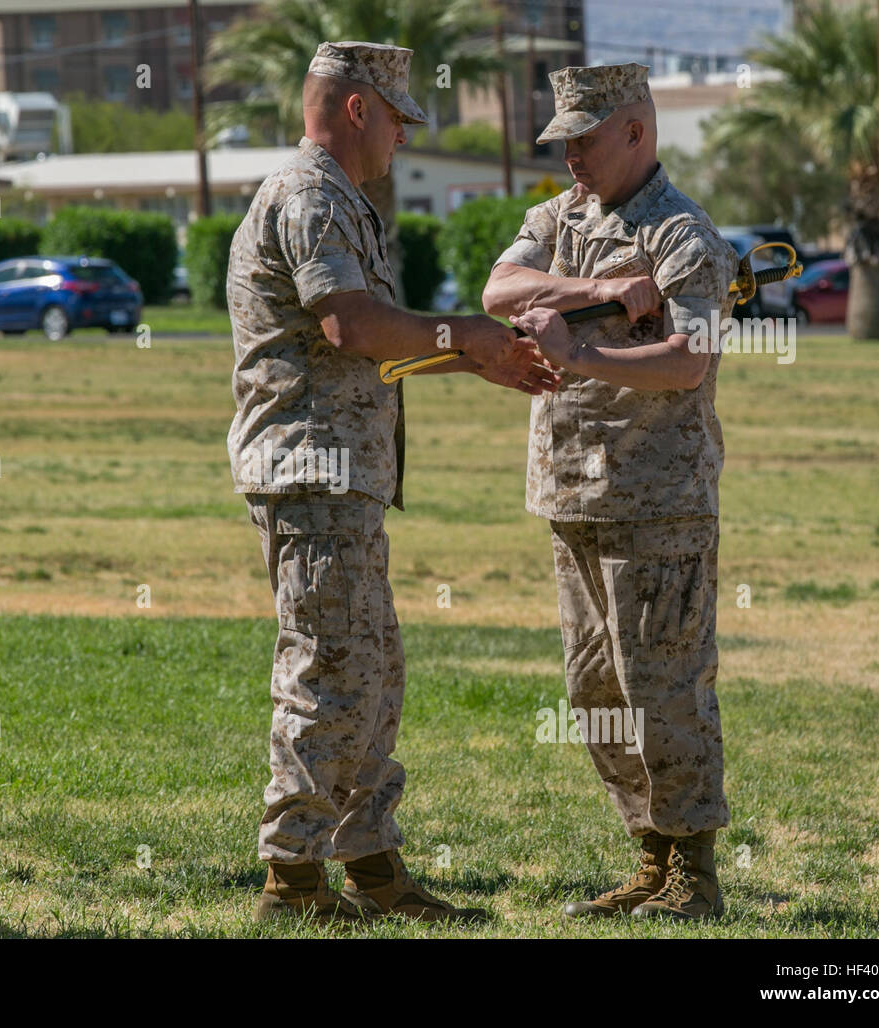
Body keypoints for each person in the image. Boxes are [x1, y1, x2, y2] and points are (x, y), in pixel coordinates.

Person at [226, 39, 559, 923]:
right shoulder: (309, 196)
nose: (404, 139)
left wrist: (479, 361)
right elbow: (348, 327)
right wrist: (465, 336)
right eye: (400, 120)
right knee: (329, 669)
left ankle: (372, 866)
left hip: (343, 476)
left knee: (372, 672)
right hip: (311, 470)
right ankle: (291, 880)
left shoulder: (345, 202)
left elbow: (377, 349)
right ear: (358, 109)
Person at [482, 63, 739, 920]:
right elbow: (499, 289)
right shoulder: (559, 220)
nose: (570, 159)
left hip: (656, 502)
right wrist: (594, 293)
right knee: (594, 694)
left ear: (636, 131)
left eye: (584, 140)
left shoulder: (684, 238)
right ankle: (650, 854)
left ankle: (693, 871)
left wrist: (583, 353)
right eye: (563, 143)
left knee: (663, 685)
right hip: (570, 496)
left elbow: (689, 360)